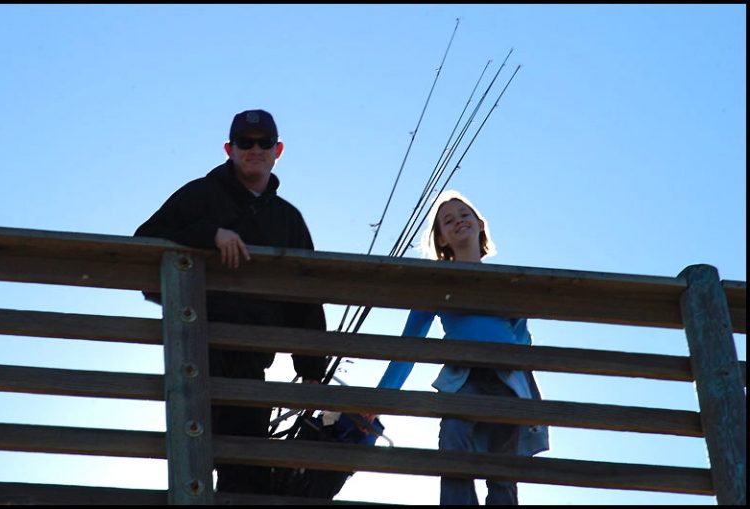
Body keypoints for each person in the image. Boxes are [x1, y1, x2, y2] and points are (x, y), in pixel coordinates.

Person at [134, 109, 328, 495]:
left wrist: (311, 367)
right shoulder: (199, 194)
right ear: (229, 148)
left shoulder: (288, 218)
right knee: (193, 461)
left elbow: (305, 293)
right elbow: (144, 241)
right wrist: (211, 234)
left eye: (263, 142)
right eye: (245, 142)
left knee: (249, 473)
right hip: (195, 352)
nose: (254, 149)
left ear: (278, 150)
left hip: (252, 362)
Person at [376, 190, 549, 505]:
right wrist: (381, 395)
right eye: (448, 221)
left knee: (503, 468)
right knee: (454, 440)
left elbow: (522, 339)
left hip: (507, 380)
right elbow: (410, 343)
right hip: (463, 378)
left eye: (464, 215)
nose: (458, 222)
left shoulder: (507, 281)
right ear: (441, 239)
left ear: (480, 223)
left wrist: (533, 400)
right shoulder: (438, 281)